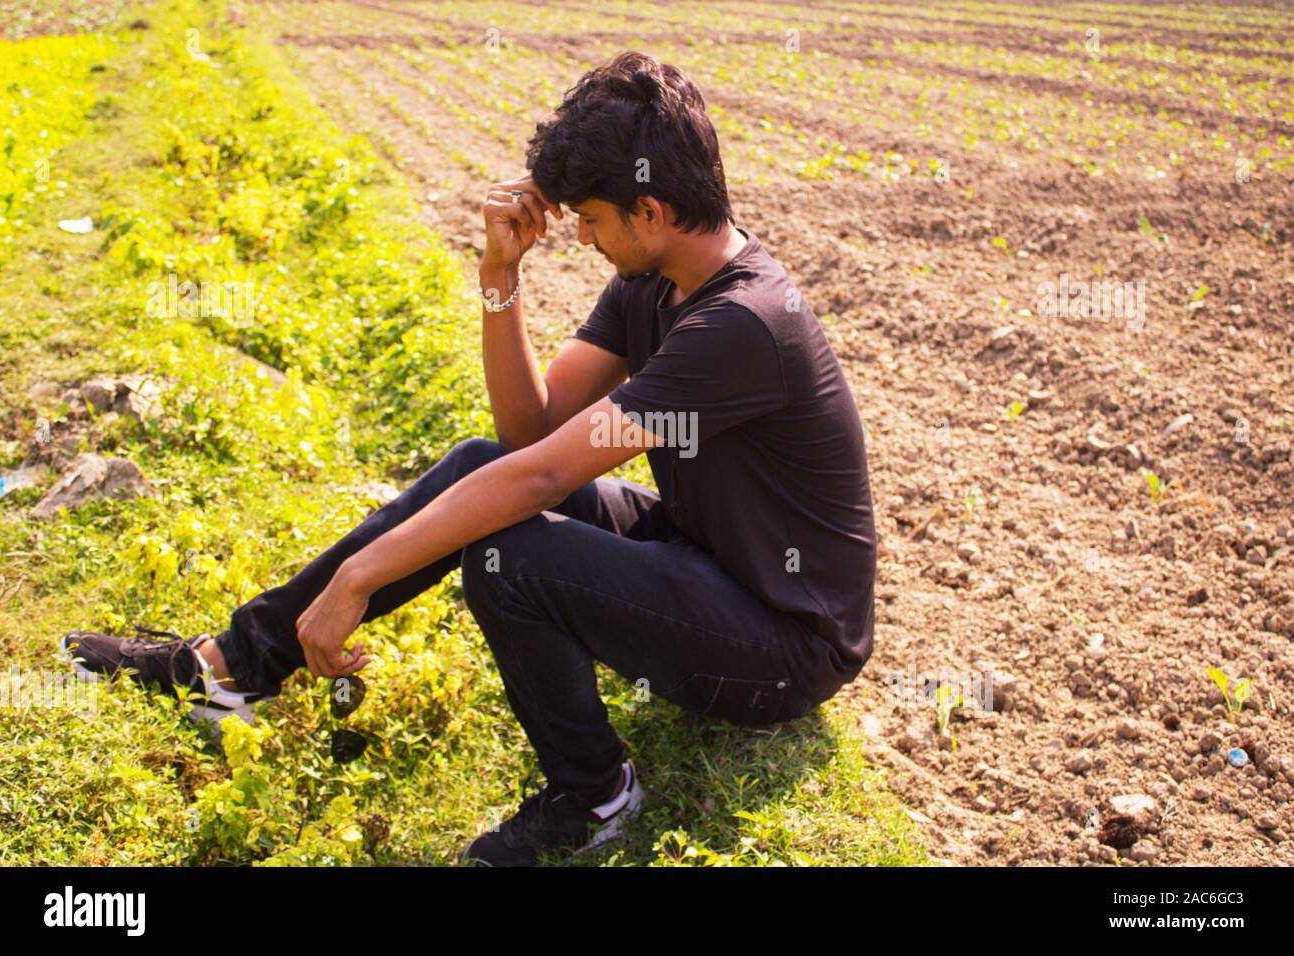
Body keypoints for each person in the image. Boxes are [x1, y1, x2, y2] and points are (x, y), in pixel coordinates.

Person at [62, 50, 877, 867]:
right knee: (475, 463)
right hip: (705, 555)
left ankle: (595, 796)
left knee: (508, 550)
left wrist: (358, 578)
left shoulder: (742, 324)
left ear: (652, 208)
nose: (585, 238)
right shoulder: (650, 284)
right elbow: (529, 436)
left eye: (591, 220)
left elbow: (547, 476)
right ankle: (231, 665)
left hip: (783, 639)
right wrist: (499, 275)